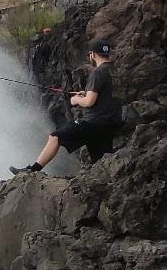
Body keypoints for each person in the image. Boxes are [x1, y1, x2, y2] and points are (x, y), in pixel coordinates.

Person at [12, 39, 123, 174]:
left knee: (55, 136)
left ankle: (32, 170)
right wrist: (86, 94)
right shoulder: (114, 71)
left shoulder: (98, 72)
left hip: (94, 122)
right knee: (101, 164)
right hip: (110, 123)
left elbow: (89, 102)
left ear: (93, 54)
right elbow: (106, 95)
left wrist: (76, 100)